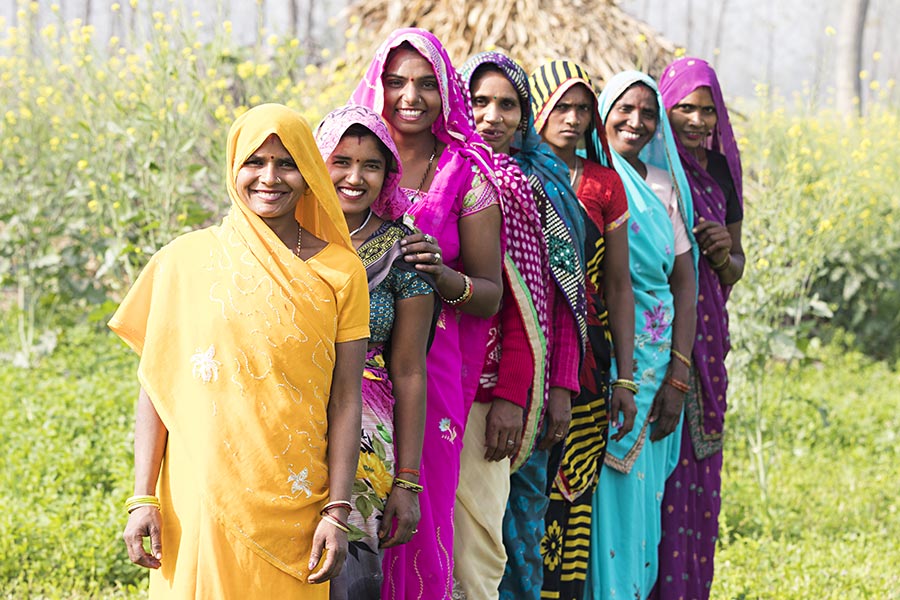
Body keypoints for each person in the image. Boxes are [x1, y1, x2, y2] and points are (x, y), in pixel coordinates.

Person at [111, 103, 370, 598]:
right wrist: (143, 497)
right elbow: (158, 387)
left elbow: (345, 399)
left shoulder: (341, 271)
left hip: (298, 501)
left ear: (310, 173)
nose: (269, 177)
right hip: (200, 496)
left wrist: (337, 510)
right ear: (233, 167)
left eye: (287, 163)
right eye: (254, 161)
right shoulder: (183, 261)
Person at [350, 28, 504, 600]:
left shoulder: (467, 175)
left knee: (412, 511)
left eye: (425, 83)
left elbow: (490, 293)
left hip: (430, 369)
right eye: (395, 81)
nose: (409, 95)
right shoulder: (349, 156)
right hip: (344, 364)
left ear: (446, 92)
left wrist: (442, 277)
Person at [452, 51, 568, 600]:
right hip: (419, 386)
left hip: (485, 393)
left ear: (525, 116)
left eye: (508, 104)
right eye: (479, 100)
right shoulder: (429, 171)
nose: (491, 116)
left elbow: (532, 306)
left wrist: (512, 395)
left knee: (479, 556)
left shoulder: (525, 191)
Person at [315, 104, 439, 599]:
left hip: (366, 434)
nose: (354, 176)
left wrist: (407, 482)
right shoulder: (283, 239)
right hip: (285, 418)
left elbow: (409, 371)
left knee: (346, 573)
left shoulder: (404, 250)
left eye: (371, 164)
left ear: (389, 172)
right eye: (340, 161)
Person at [583, 71, 698, 599]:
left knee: (640, 495)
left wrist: (678, 372)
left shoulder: (662, 185)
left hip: (654, 365)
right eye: (624, 109)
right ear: (603, 113)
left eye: (648, 113)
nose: (636, 121)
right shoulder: (582, 179)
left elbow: (684, 279)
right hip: (595, 359)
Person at [527, 60, 637, 600]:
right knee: (524, 484)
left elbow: (618, 285)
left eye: (582, 109)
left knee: (573, 486)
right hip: (525, 345)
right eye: (560, 106)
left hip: (591, 355)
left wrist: (628, 379)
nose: (572, 119)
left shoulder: (604, 183)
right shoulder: (517, 173)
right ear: (539, 110)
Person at [651, 57, 745, 600]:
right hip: (653, 342)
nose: (697, 119)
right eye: (685, 107)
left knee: (696, 487)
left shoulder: (721, 173)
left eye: (707, 109)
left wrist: (720, 252)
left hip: (706, 346)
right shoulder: (643, 171)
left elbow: (736, 264)